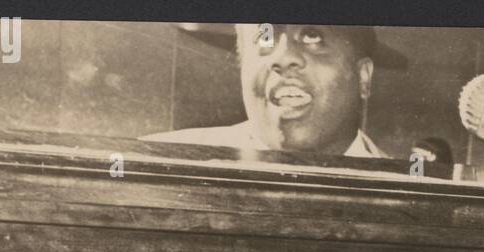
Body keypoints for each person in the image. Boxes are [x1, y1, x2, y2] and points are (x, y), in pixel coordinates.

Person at [145, 24, 386, 157]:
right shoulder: (154, 161)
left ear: (363, 77)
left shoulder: (415, 194)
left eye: (312, 36)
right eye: (264, 38)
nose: (281, 57)